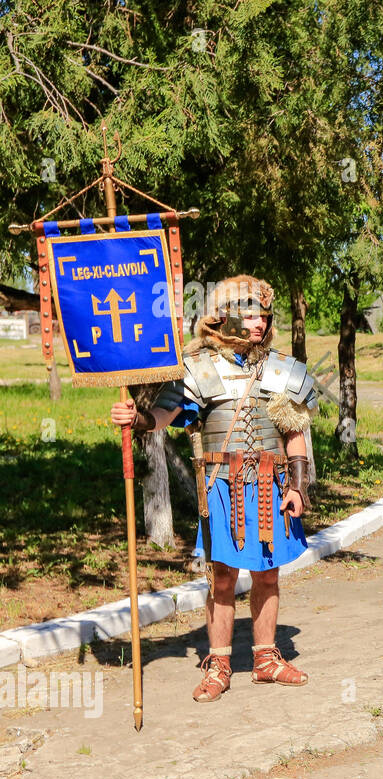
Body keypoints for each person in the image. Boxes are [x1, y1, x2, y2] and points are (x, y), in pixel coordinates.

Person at [109, 276, 317, 701]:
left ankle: (265, 659)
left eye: (264, 315)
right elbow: (164, 416)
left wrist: (297, 487)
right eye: (250, 314)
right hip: (222, 487)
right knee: (222, 578)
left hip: (271, 487)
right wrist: (137, 420)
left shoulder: (280, 368)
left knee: (268, 575)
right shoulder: (200, 369)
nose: (259, 322)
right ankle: (219, 663)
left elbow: (294, 433)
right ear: (224, 318)